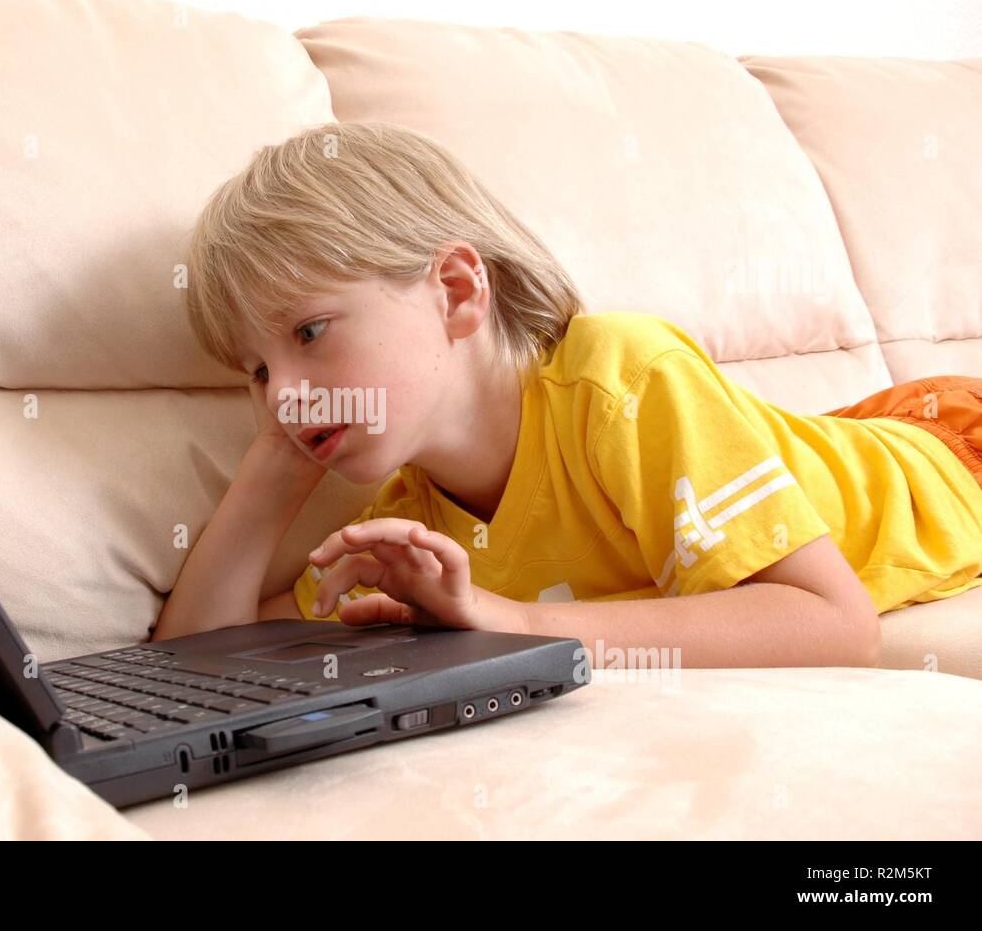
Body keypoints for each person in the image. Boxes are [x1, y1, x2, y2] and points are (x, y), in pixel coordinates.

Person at [153, 121, 982, 669]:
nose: (280, 394)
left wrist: (507, 619)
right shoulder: (415, 522)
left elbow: (833, 624)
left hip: (948, 451)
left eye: (307, 333)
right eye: (253, 373)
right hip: (830, 442)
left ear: (455, 291)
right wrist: (279, 454)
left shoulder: (622, 377)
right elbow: (198, 661)